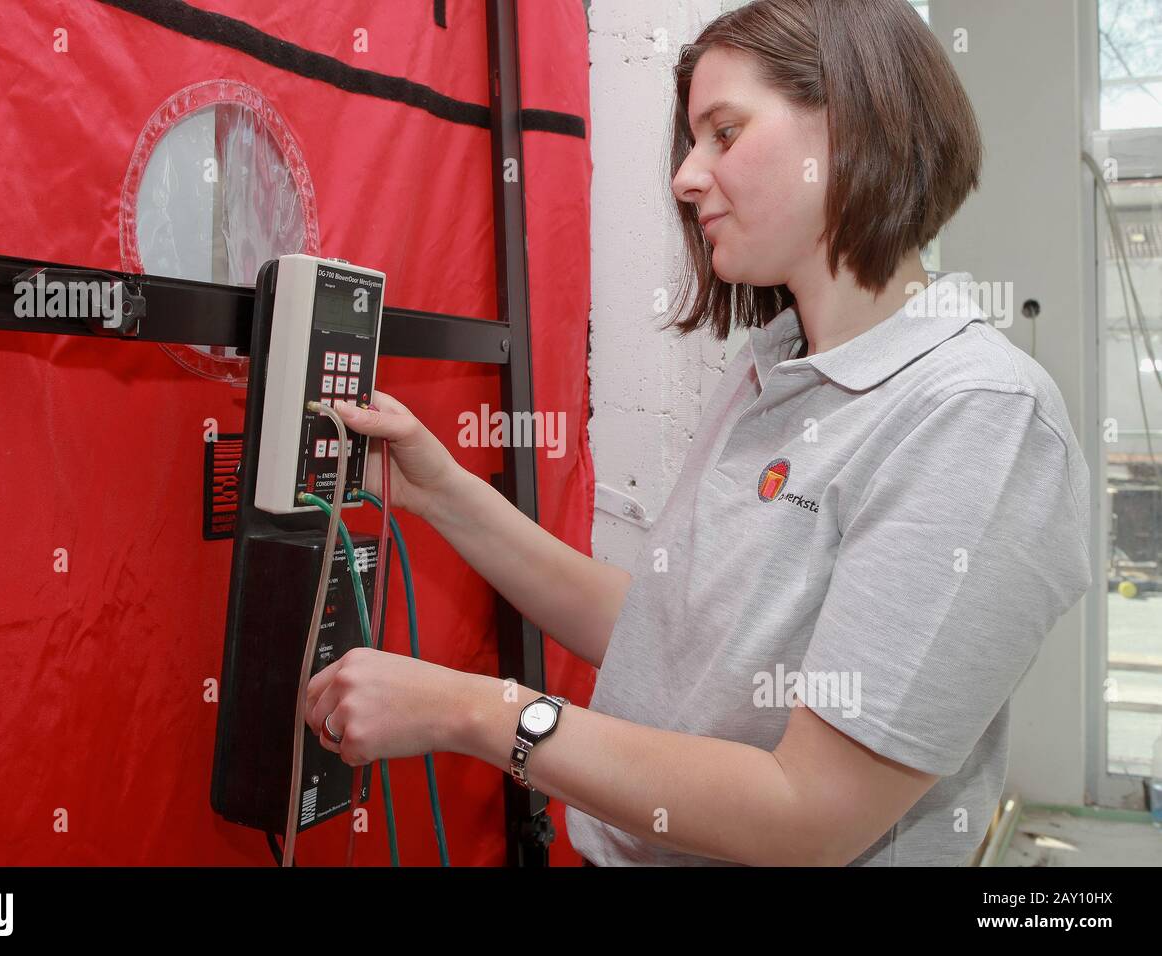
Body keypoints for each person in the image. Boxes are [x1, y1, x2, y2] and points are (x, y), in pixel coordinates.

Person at [303, 0, 1093, 866]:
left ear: (856, 125)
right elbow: (665, 635)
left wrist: (475, 713)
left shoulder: (977, 417)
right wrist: (442, 491)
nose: (685, 177)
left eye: (724, 132)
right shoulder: (774, 372)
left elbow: (809, 816)